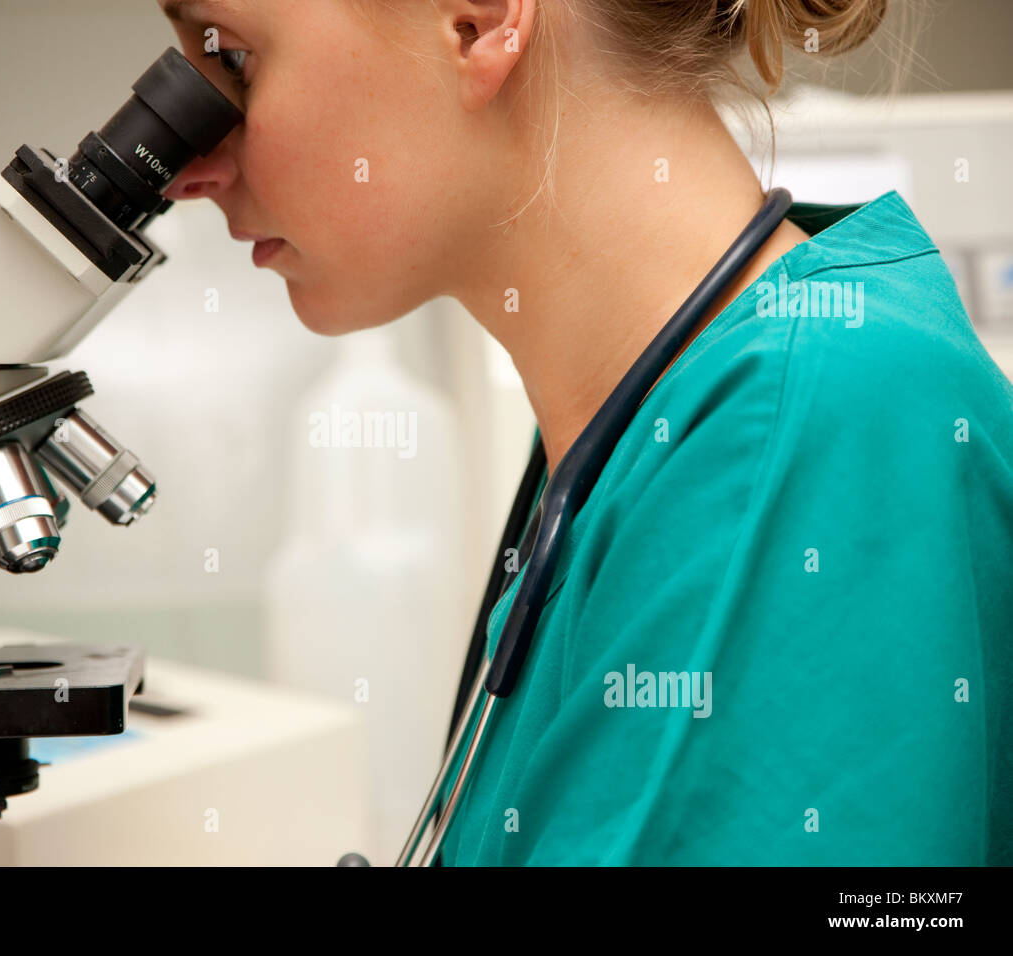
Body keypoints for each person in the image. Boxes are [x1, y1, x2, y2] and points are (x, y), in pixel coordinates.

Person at [156, 0, 1013, 865]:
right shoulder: (636, 422)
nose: (183, 169)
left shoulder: (815, 421)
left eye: (231, 58)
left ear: (479, 21)